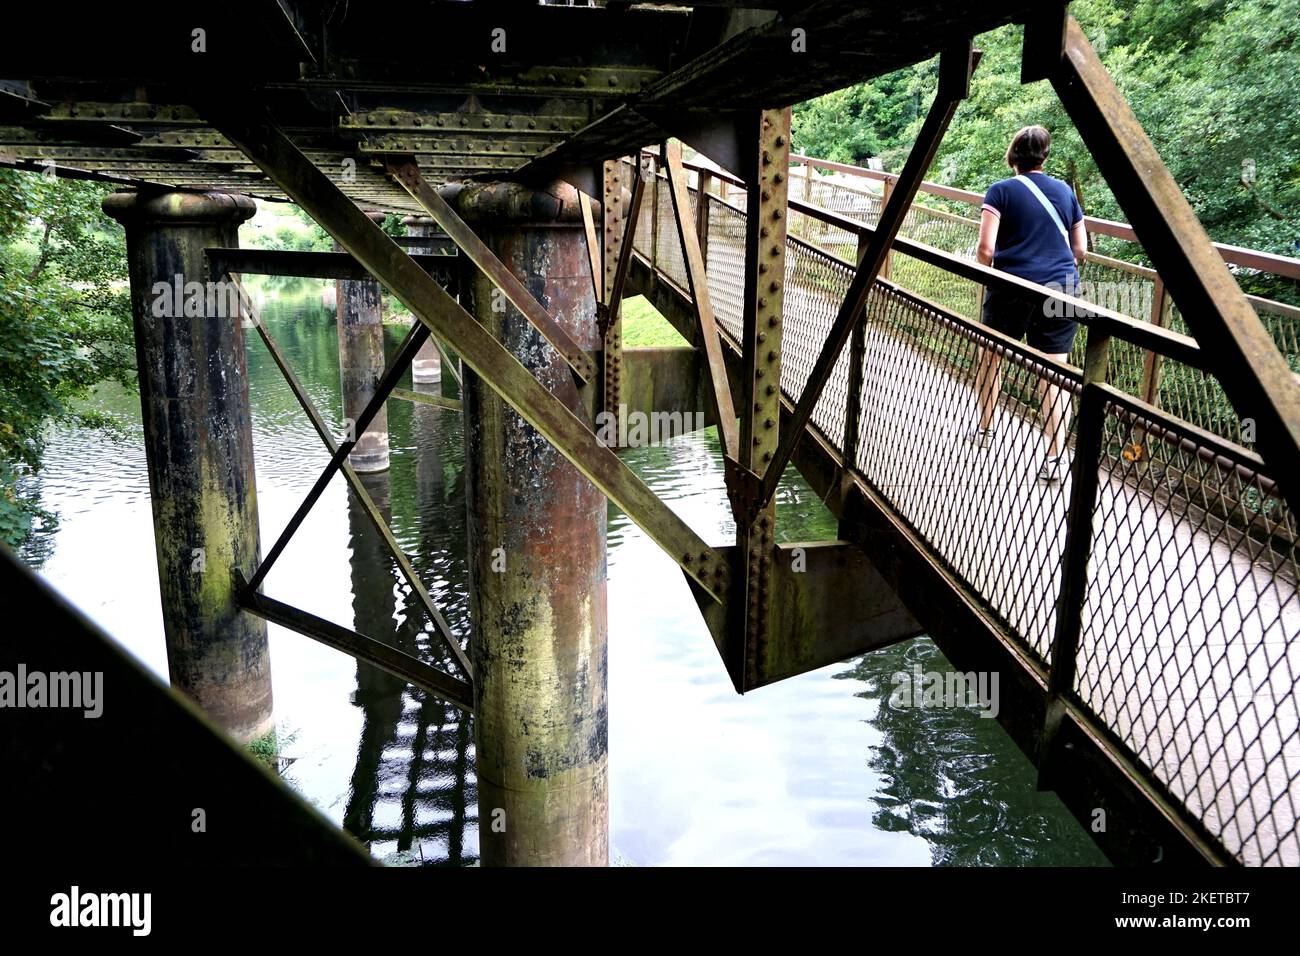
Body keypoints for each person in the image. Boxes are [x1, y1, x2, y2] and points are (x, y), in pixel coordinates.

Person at [970, 125, 1087, 483]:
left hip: (1012, 287)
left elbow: (986, 249)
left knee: (990, 356)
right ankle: (1054, 458)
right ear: (1045, 156)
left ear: (1013, 156)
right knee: (1055, 374)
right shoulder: (1065, 192)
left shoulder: (1001, 191)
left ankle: (986, 430)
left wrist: (985, 274)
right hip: (1063, 288)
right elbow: (1080, 249)